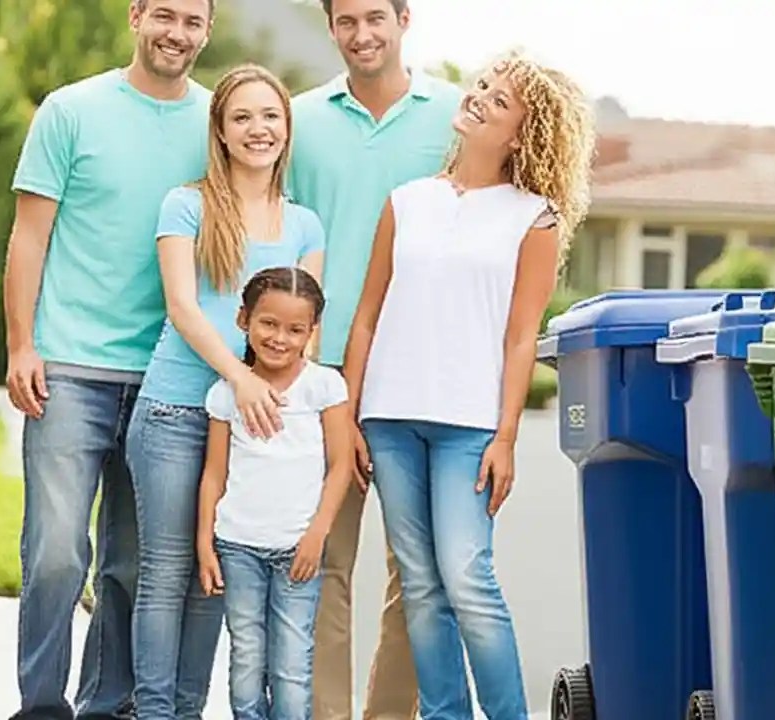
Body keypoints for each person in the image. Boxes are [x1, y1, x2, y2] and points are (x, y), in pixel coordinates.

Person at [342, 51, 597, 720]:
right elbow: (367, 315)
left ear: (523, 132)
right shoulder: (407, 202)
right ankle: (445, 715)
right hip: (389, 418)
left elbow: (521, 337)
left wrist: (506, 436)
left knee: (467, 578)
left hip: (470, 425)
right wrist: (349, 411)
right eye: (482, 84)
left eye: (501, 98)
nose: (480, 96)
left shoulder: (533, 220)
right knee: (421, 585)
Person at [2, 0, 213, 717]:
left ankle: (106, 704)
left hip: (167, 376)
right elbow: (29, 236)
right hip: (68, 367)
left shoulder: (218, 122)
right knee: (57, 553)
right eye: (164, 15)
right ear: (135, 16)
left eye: (191, 20)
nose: (176, 32)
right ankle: (39, 706)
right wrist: (21, 344)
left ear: (206, 31)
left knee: (130, 564)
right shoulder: (70, 110)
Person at [124, 64, 326, 719]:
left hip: (255, 424)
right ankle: (156, 712)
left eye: (270, 115)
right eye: (241, 117)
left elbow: (304, 332)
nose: (257, 129)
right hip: (177, 408)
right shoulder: (186, 206)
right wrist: (237, 376)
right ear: (220, 130)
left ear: (286, 127)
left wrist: (291, 413)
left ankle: (187, 709)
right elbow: (183, 307)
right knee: (167, 573)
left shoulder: (304, 226)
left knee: (217, 578)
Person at [286, 0, 462, 716]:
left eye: (374, 18)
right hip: (316, 372)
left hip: (421, 376)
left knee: (423, 574)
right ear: (331, 27)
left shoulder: (457, 117)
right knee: (319, 561)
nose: (361, 35)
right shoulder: (298, 119)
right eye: (346, 21)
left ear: (404, 18)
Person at [196, 267, 351, 720]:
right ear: (244, 319)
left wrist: (316, 536)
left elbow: (340, 466)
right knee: (246, 659)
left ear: (311, 333)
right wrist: (205, 543)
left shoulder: (324, 387)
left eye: (295, 329)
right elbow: (213, 474)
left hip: (297, 551)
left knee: (290, 667)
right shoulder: (226, 393)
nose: (280, 338)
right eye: (268, 323)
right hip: (238, 546)